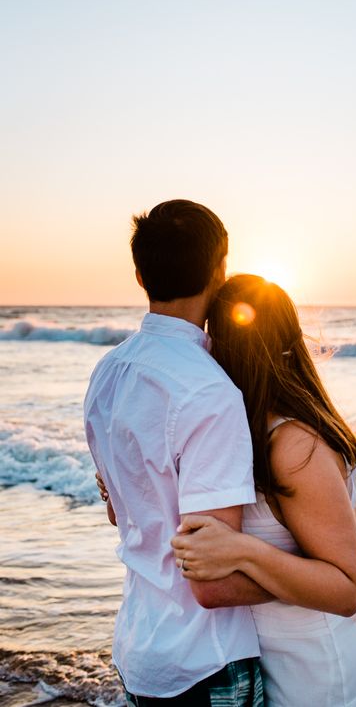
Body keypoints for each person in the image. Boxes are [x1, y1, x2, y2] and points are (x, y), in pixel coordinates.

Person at [170, 274, 356, 707]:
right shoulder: (242, 435)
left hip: (324, 678)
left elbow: (347, 589)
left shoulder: (293, 445)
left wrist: (241, 551)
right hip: (280, 669)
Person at [84, 201, 269, 706]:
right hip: (204, 659)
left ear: (140, 273)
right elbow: (212, 582)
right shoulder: (210, 393)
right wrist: (322, 577)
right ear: (220, 270)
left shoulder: (107, 374)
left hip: (140, 646)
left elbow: (119, 510)